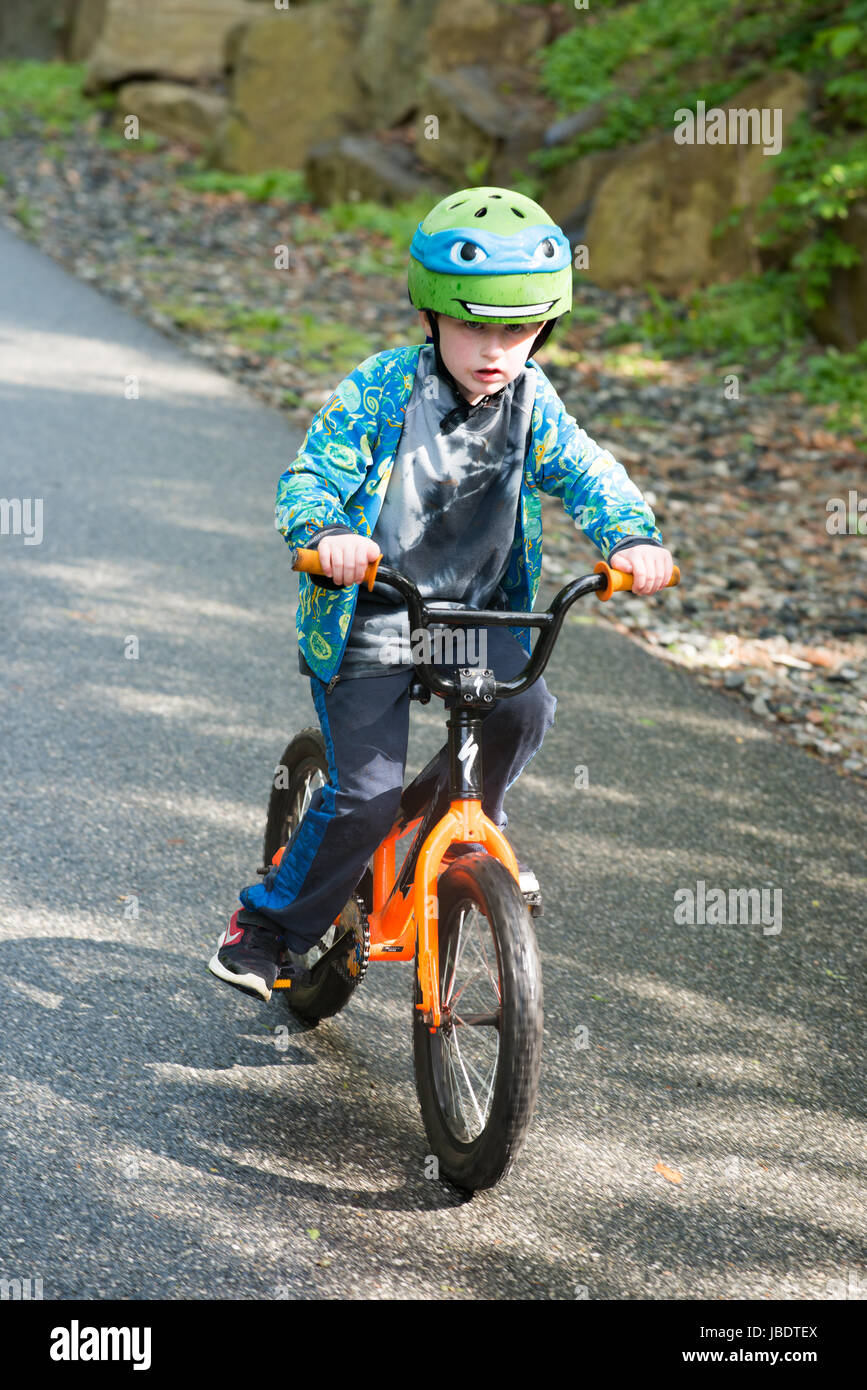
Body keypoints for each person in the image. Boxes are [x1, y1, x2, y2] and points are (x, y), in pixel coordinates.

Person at [208, 185, 674, 1003]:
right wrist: (323, 537)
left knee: (524, 710)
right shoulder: (383, 388)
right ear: (429, 317)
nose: (496, 348)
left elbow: (589, 472)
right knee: (363, 792)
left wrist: (630, 537)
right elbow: (314, 473)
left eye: (519, 329)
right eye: (474, 325)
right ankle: (268, 926)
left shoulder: (535, 401)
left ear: (545, 328)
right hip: (374, 613)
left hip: (471, 613)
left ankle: (466, 833)